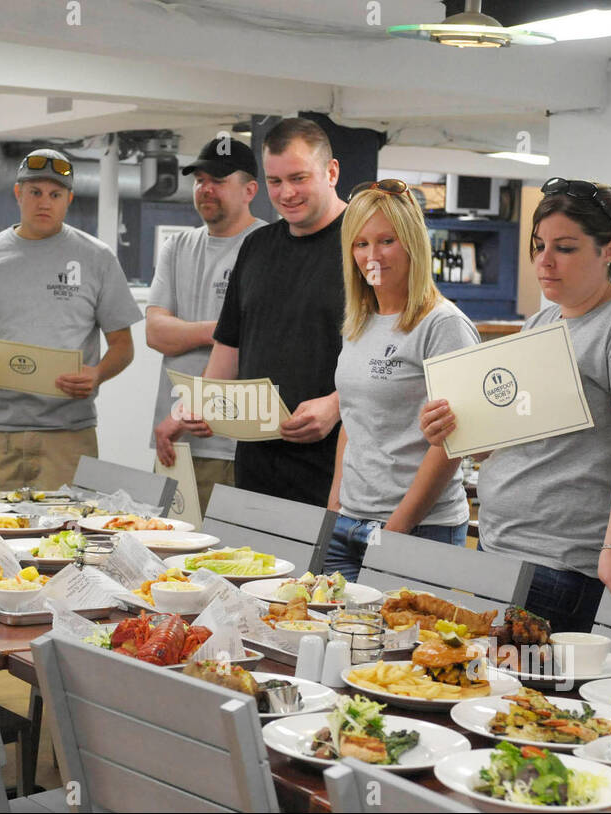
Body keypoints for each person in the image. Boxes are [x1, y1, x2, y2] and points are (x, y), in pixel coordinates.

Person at [421, 177, 611, 633]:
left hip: (564, 564)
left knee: (536, 699)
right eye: (539, 246)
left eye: (565, 248)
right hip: (500, 547)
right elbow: (498, 442)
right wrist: (455, 426)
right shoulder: (542, 320)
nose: (545, 261)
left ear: (609, 250)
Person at [0, 149, 141, 490]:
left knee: (70, 535)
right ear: (18, 193)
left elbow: (123, 346)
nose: (45, 202)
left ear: (69, 199)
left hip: (69, 435)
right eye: (35, 192)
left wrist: (97, 374)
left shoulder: (97, 259)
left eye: (55, 195)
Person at [323, 180, 479, 580]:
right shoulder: (359, 321)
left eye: (386, 241)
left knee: (399, 642)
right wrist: (334, 507)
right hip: (348, 523)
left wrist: (397, 529)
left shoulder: (442, 324)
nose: (371, 255)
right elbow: (352, 420)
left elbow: (453, 444)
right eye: (360, 243)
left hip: (420, 528)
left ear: (412, 243)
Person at [193, 118, 347, 505]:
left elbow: (396, 360)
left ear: (331, 172)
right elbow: (230, 341)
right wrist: (203, 401)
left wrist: (336, 404)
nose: (287, 193)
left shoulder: (366, 245)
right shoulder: (256, 246)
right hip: (257, 467)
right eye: (276, 182)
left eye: (299, 178)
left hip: (336, 470)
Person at [148, 137, 265, 512]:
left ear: (250, 190)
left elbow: (258, 341)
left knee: (228, 563)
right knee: (164, 558)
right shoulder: (178, 247)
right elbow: (155, 333)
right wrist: (220, 330)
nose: (205, 189)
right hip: (173, 442)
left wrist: (188, 331)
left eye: (217, 180)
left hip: (234, 444)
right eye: (199, 179)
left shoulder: (267, 247)